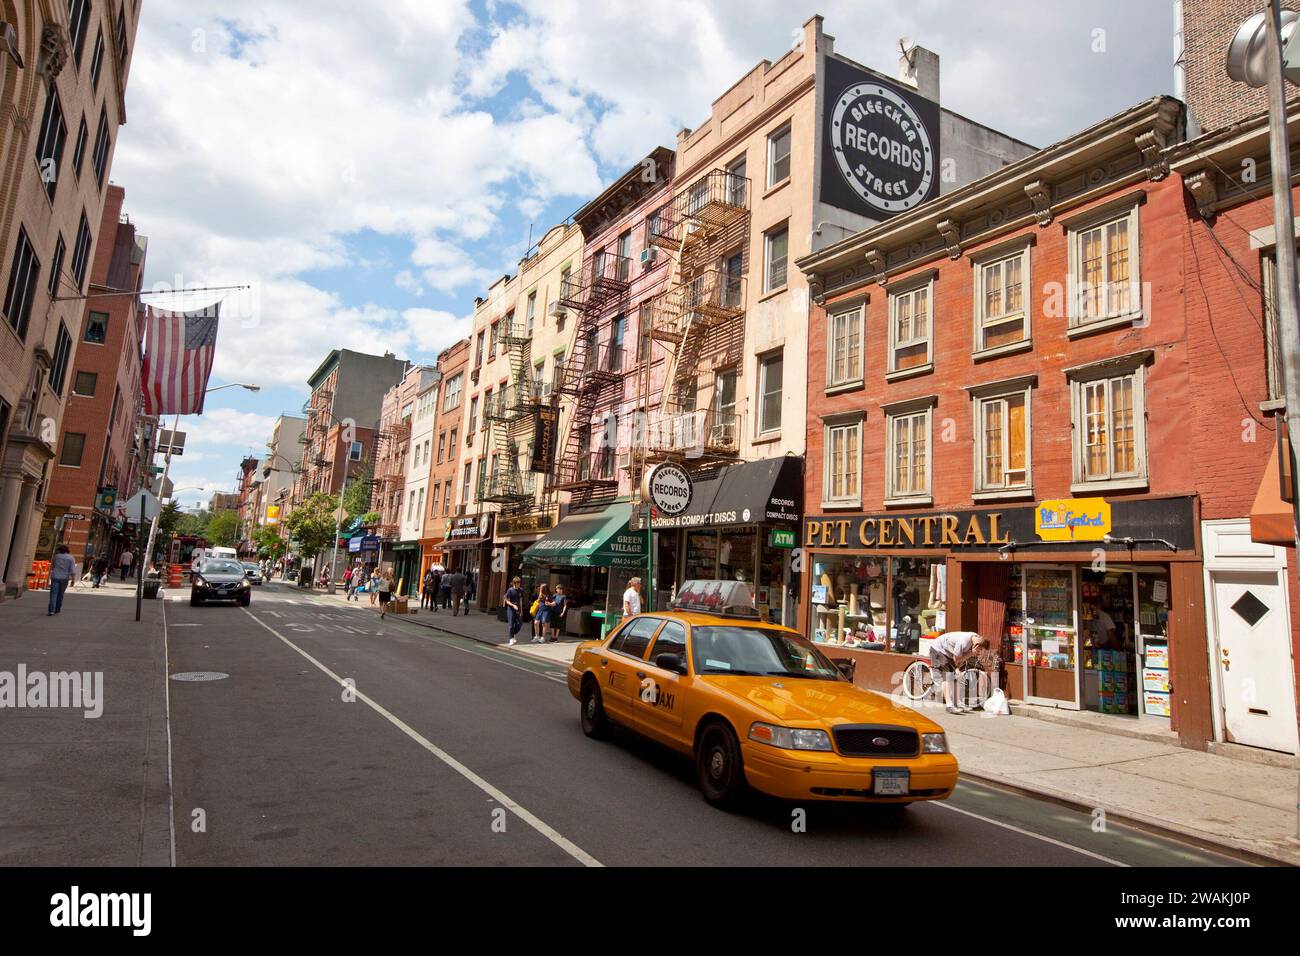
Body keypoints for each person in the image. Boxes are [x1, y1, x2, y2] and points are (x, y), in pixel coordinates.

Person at [928, 631, 989, 715]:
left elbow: (958, 658)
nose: (979, 652)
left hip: (948, 652)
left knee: (954, 677)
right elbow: (956, 659)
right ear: (977, 645)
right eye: (980, 649)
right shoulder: (963, 642)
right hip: (938, 649)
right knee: (947, 676)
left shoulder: (976, 637)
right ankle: (949, 706)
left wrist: (956, 668)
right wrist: (971, 653)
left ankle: (958, 704)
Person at [48, 545, 77, 616]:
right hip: (64, 578)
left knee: (53, 594)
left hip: (55, 577)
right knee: (60, 594)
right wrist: (73, 579)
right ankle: (57, 609)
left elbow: (52, 567)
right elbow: (72, 570)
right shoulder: (71, 558)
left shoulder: (56, 557)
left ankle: (51, 610)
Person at [504, 576, 524, 646]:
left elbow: (521, 600)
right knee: (511, 625)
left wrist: (521, 611)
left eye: (519, 583)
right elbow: (507, 601)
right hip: (511, 610)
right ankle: (511, 639)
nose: (519, 584)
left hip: (518, 610)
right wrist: (513, 605)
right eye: (518, 583)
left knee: (520, 623)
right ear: (514, 583)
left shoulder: (521, 590)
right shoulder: (510, 590)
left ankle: (513, 633)